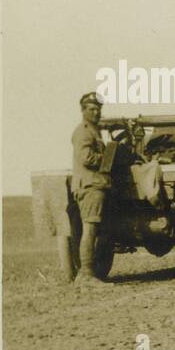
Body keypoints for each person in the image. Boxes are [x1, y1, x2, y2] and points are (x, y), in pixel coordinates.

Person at [70, 91, 112, 287]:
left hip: (94, 184)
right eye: (92, 109)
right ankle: (86, 274)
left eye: (98, 109)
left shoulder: (92, 130)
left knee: (94, 228)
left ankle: (87, 274)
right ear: (83, 110)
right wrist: (108, 160)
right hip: (90, 185)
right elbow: (86, 158)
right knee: (90, 228)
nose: (96, 112)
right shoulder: (84, 132)